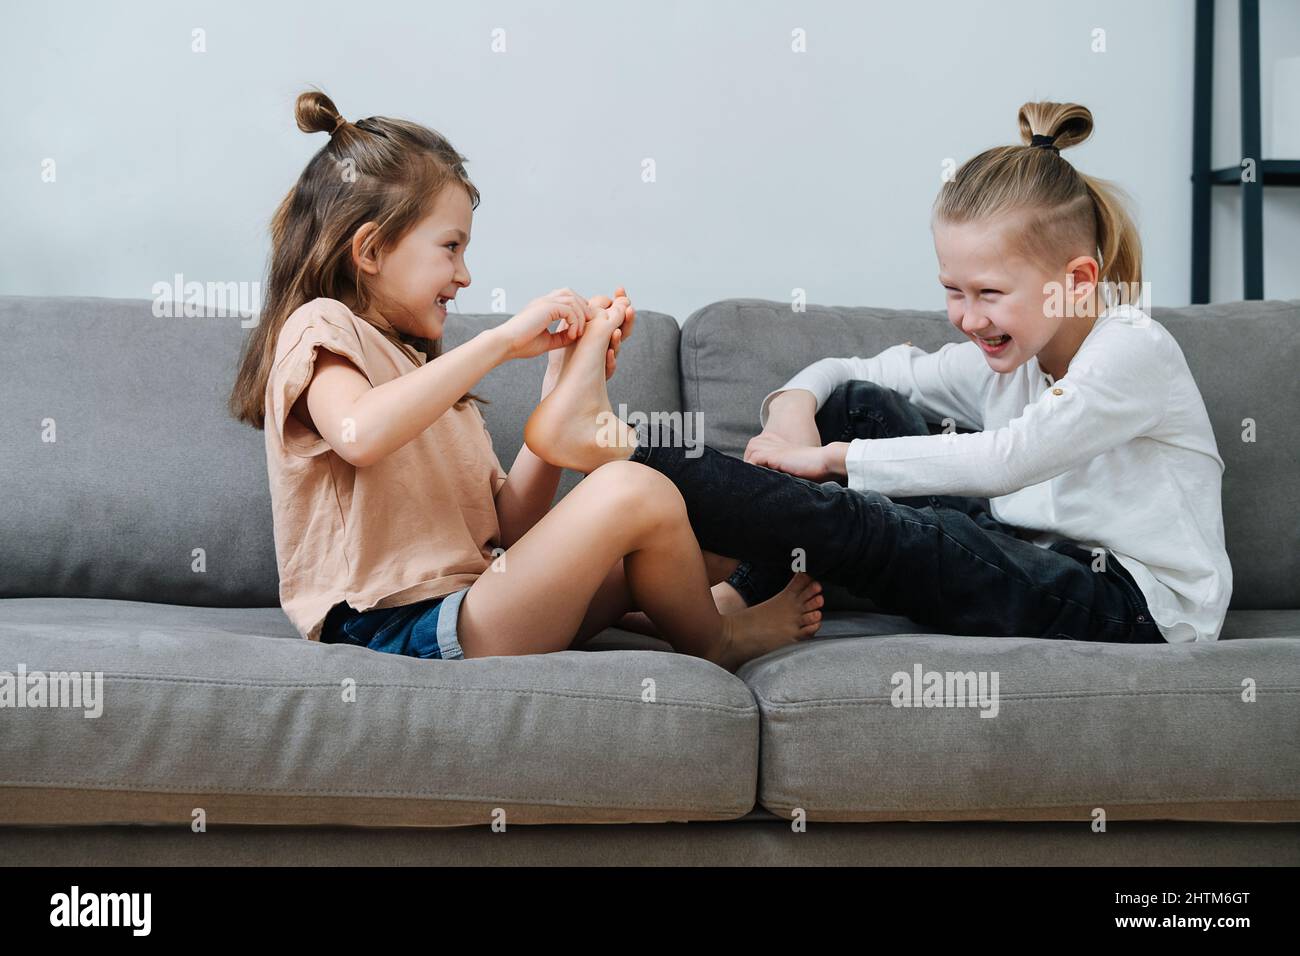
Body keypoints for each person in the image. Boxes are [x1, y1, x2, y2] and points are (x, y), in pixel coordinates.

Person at [524, 101, 1232, 645]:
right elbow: (854, 369)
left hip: (1133, 607)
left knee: (893, 529)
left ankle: (615, 443)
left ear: (1075, 281)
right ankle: (735, 603)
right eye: (953, 291)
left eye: (988, 294)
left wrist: (831, 459)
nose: (966, 317)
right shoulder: (1013, 352)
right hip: (1032, 553)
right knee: (859, 403)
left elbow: (1006, 461)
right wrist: (792, 407)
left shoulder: (1132, 348)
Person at [228, 90, 824, 671]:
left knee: (704, 533)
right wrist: (501, 342)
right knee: (633, 489)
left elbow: (510, 526)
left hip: (482, 604)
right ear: (371, 249)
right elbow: (359, 433)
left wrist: (557, 388)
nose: (464, 274)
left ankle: (688, 606)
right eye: (451, 247)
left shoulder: (426, 377)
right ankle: (715, 639)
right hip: (394, 625)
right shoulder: (320, 327)